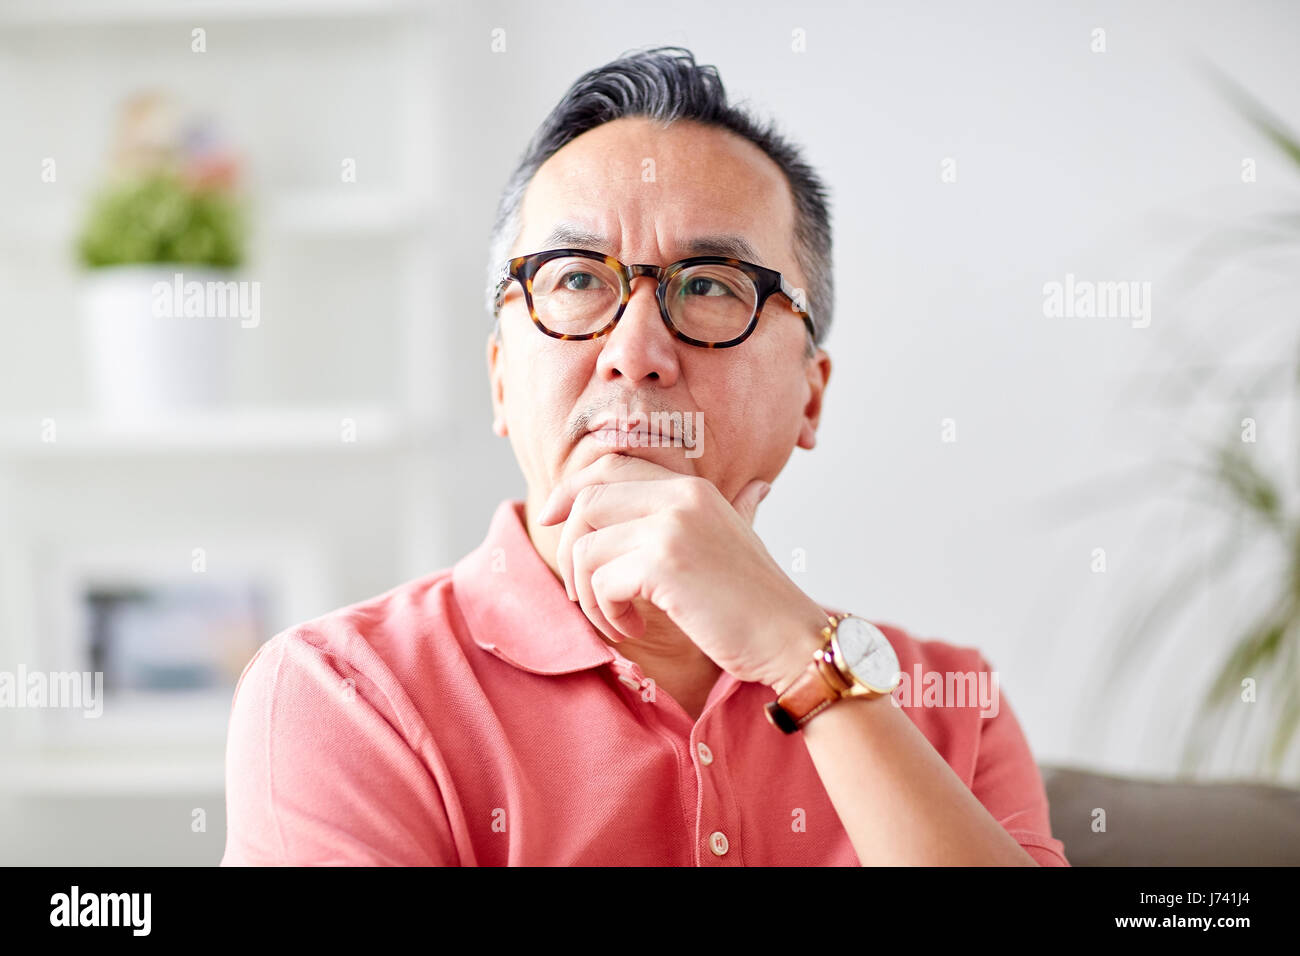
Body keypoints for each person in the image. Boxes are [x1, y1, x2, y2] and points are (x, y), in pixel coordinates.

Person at [221, 46, 1069, 866]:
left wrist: (800, 656)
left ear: (810, 394)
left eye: (708, 286)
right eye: (577, 278)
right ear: (501, 384)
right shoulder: (344, 693)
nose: (636, 351)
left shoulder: (946, 700)